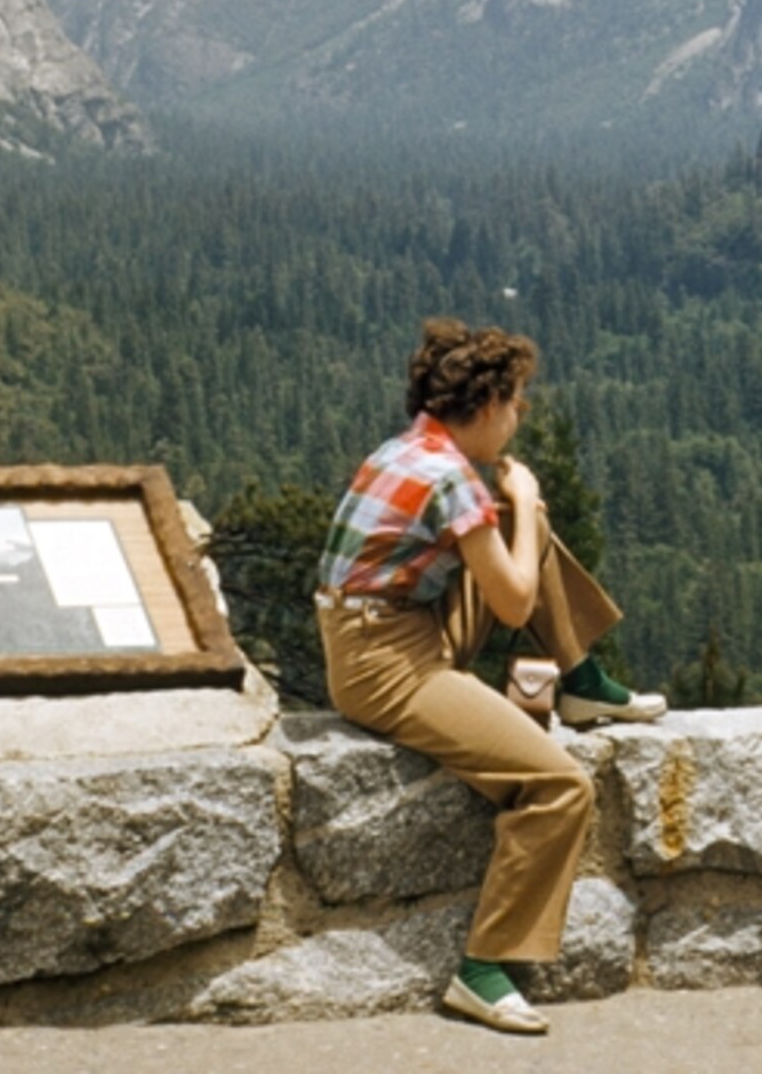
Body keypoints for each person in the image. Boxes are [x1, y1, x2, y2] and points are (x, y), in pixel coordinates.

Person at [317, 319, 666, 1034]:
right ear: (484, 406)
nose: (522, 416)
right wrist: (530, 506)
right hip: (388, 661)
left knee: (510, 510)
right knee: (559, 786)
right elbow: (509, 600)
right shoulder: (450, 480)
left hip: (373, 633)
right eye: (517, 402)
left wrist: (515, 507)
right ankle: (484, 969)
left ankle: (579, 677)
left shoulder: (411, 447)